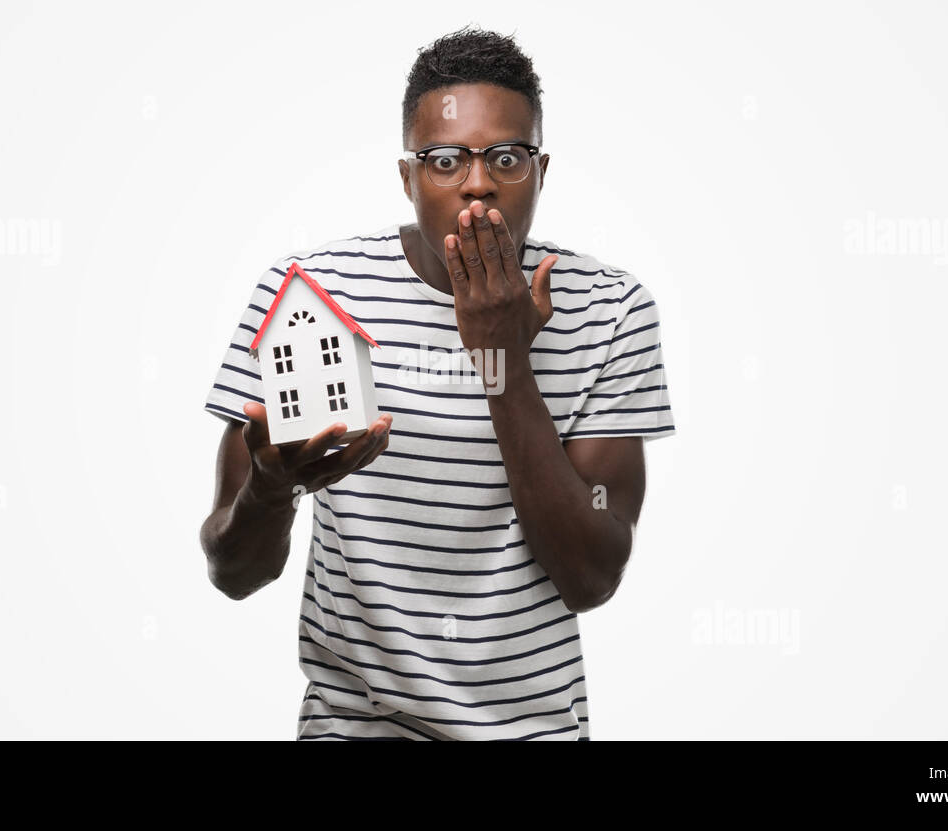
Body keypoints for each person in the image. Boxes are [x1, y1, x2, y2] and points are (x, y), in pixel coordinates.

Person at [199, 26, 675, 740]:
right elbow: (233, 573)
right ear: (408, 178)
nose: (477, 183)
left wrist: (502, 359)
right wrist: (271, 490)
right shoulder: (308, 297)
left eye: (506, 157)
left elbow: (591, 576)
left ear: (541, 171)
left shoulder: (611, 309)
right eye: (445, 160)